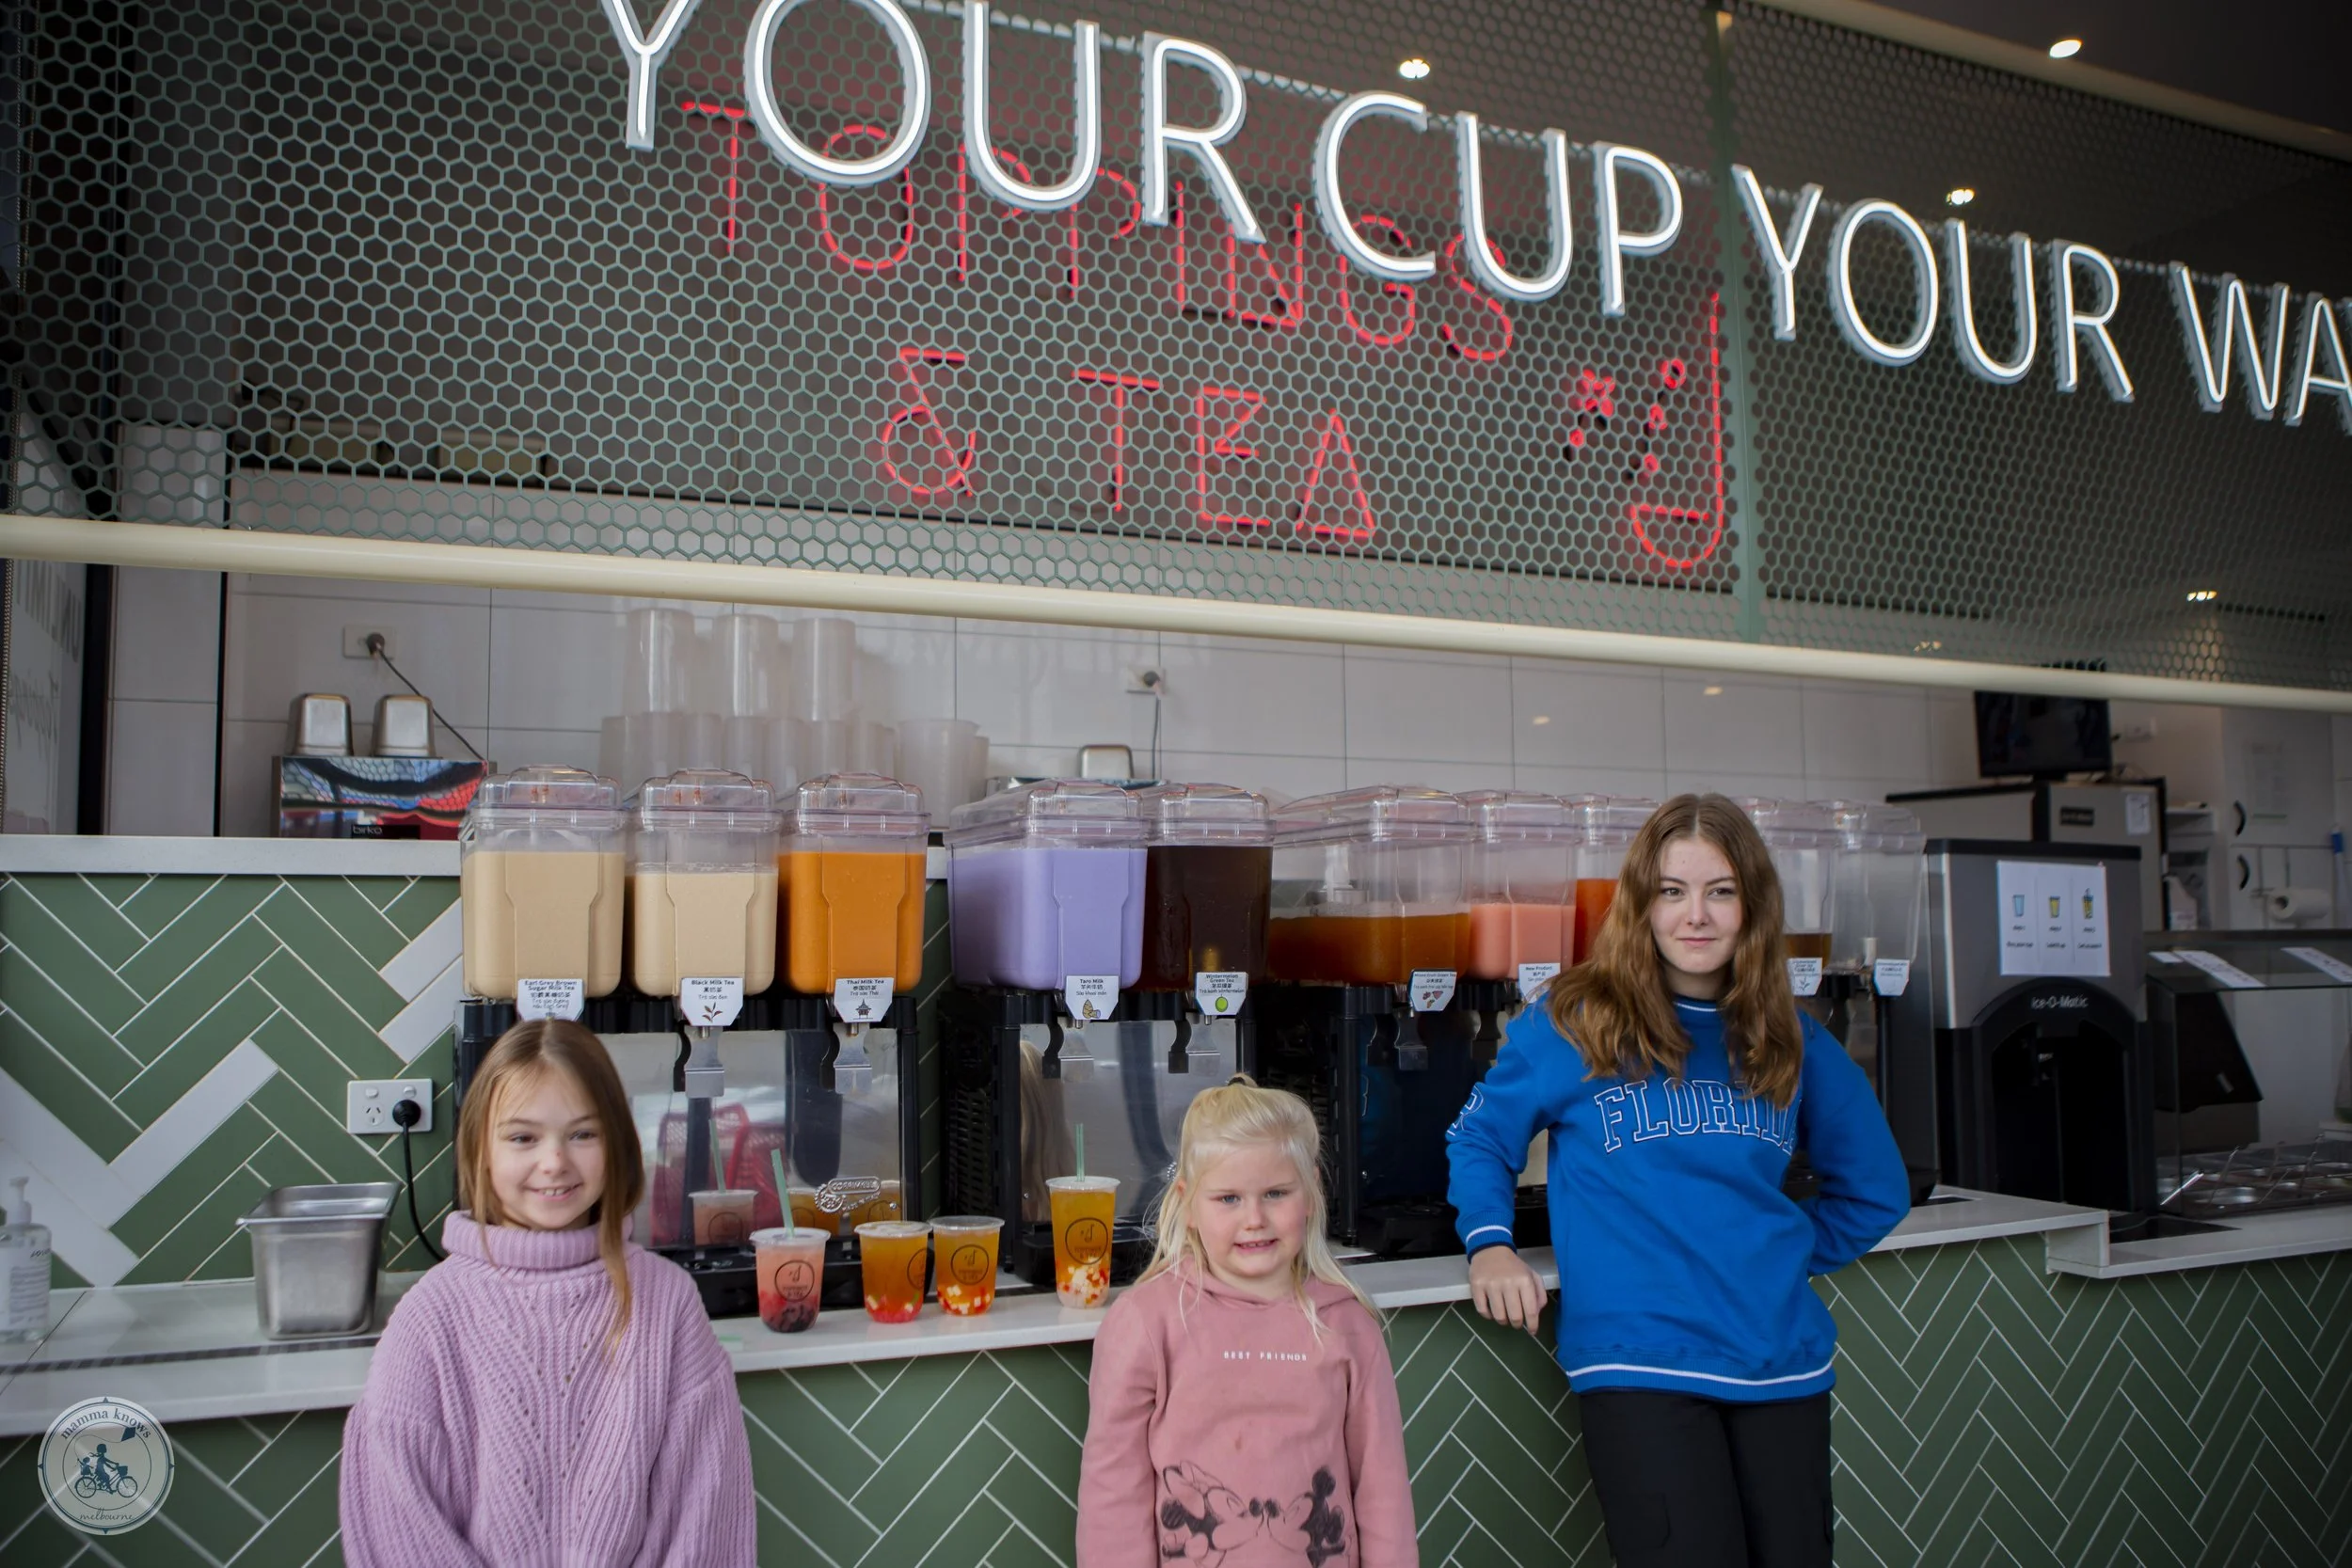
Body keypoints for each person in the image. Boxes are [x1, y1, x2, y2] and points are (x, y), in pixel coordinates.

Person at [1447, 794, 1909, 1568]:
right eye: (1672, 891)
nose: (1696, 915)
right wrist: (1489, 1243)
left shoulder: (1792, 1037)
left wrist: (1774, 1252)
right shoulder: (1574, 1020)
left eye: (1721, 891)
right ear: (1641, 903)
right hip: (1640, 1364)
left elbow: (1876, 1190)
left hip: (1780, 1364)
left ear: (1752, 906)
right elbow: (1479, 1136)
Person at [340, 1020, 756, 1567]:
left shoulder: (666, 1303)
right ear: (481, 1150)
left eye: (583, 1133)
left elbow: (707, 1507)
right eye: (522, 1137)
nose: (555, 1161)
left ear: (618, 1143)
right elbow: (399, 1523)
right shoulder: (430, 1316)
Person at [1077, 1079, 1419, 1568]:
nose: (1254, 1218)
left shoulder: (1346, 1325)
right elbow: (1113, 1499)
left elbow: (1383, 1493)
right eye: (1229, 1199)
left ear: (1311, 1194)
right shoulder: (1146, 1325)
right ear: (1189, 1203)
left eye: (1276, 1193)